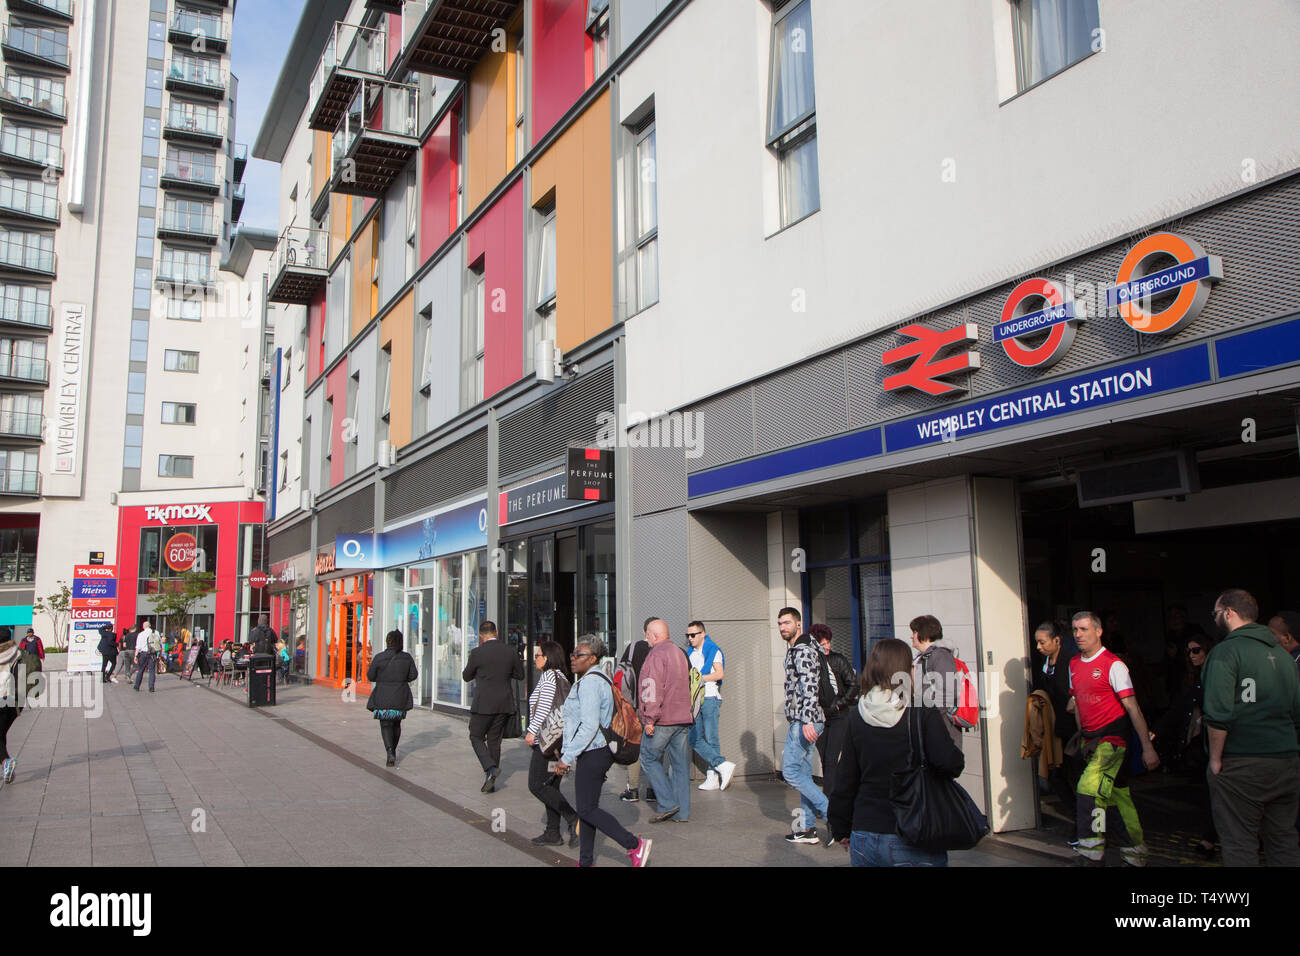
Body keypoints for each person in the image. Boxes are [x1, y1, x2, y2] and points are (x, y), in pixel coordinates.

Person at [829, 638, 964, 866]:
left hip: (865, 831)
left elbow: (845, 778)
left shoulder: (858, 714)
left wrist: (841, 827)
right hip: (914, 830)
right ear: (905, 670)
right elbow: (951, 763)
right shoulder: (921, 712)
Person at [1202, 588, 1300, 866]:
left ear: (1229, 613)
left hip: (1241, 762)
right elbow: (1297, 713)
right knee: (1283, 841)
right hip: (1285, 760)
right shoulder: (1284, 656)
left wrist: (1215, 760)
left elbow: (1219, 713)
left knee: (1239, 843)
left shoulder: (1225, 652)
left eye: (1216, 613)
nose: (1215, 618)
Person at [1067, 610, 1159, 866]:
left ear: (1098, 631)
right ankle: (1135, 852)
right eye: (1075, 630)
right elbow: (1077, 704)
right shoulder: (1073, 664)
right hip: (1089, 741)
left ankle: (1090, 851)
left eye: (1084, 629)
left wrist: (1147, 747)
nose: (1078, 634)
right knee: (1118, 796)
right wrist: (1080, 737)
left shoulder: (1113, 665)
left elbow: (1132, 707)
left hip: (1112, 741)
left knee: (1089, 788)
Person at [555, 635, 652, 867]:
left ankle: (634, 845)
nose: (573, 658)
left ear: (593, 658)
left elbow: (589, 725)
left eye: (579, 655)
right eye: (573, 654)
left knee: (587, 809)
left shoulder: (589, 683)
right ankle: (585, 861)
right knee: (588, 809)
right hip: (598, 751)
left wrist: (566, 758)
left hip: (594, 751)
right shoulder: (601, 678)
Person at [1151, 632, 1216, 856]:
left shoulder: (1216, 673)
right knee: (1209, 793)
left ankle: (1213, 837)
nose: (1191, 655)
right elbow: (1178, 708)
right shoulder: (1193, 679)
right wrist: (1154, 732)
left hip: (1221, 744)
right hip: (1203, 745)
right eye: (1188, 652)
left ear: (1208, 649)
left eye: (1196, 650)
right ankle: (1210, 836)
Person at [778, 607, 832, 846]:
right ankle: (808, 829)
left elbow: (809, 686)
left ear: (798, 624)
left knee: (789, 770)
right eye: (780, 623)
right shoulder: (805, 647)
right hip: (805, 718)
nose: (782, 627)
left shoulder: (801, 650)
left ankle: (832, 813)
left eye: (787, 623)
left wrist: (808, 719)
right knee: (802, 773)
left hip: (805, 720)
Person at [637, 618, 694, 824]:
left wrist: (649, 719)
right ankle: (682, 813)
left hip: (663, 720)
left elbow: (651, 689)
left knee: (648, 757)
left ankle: (668, 804)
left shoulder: (656, 655)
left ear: (654, 635)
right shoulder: (679, 653)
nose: (646, 639)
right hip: (683, 718)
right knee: (680, 766)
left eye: (647, 635)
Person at [524, 639, 579, 847]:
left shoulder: (549, 676)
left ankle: (573, 819)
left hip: (546, 741)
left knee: (536, 785)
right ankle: (552, 832)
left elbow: (545, 708)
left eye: (538, 655)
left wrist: (531, 732)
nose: (535, 658)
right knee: (550, 786)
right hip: (558, 742)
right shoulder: (561, 677)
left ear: (546, 658)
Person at [461, 620, 523, 793]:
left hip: (483, 704)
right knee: (495, 741)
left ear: (481, 636)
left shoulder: (477, 653)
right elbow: (520, 674)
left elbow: (466, 676)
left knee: (476, 736)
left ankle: (490, 768)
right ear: (496, 633)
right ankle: (491, 781)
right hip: (504, 702)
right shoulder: (509, 651)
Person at [1031, 620, 1078, 818]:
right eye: (1037, 643)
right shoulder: (1045, 664)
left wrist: (1075, 699)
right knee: (1054, 774)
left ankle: (1086, 824)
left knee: (1077, 775)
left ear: (1057, 640)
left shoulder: (1071, 661)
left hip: (1073, 728)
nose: (1038, 647)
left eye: (1042, 642)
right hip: (1055, 727)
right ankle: (1077, 815)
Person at [686, 620, 736, 792]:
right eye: (688, 635)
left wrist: (698, 678)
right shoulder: (690, 653)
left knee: (711, 737)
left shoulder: (713, 650)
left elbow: (719, 673)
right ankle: (722, 765)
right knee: (694, 738)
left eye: (693, 635)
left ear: (702, 634)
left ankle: (712, 776)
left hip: (709, 697)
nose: (690, 638)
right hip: (695, 699)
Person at [811, 623, 857, 800]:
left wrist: (840, 704)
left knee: (831, 759)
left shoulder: (838, 659)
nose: (827, 646)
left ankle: (829, 799)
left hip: (839, 716)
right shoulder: (813, 662)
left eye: (828, 642)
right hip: (820, 716)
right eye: (823, 644)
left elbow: (853, 685)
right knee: (825, 758)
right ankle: (832, 796)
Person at [366, 630, 418, 767]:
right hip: (400, 695)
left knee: (385, 724)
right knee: (396, 723)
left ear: (387, 641)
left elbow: (370, 676)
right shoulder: (406, 658)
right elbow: (413, 675)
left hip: (382, 695)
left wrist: (382, 678)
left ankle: (390, 751)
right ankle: (393, 749)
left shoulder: (379, 657)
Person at [617, 618, 654, 803]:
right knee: (656, 749)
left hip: (635, 706)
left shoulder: (632, 648)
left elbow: (622, 675)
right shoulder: (663, 650)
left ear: (643, 630)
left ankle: (632, 789)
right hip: (656, 707)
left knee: (635, 745)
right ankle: (654, 789)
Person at [910, 614, 962, 746]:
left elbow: (949, 691)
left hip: (942, 727)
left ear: (925, 634)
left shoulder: (940, 655)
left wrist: (930, 716)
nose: (911, 636)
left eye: (914, 632)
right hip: (929, 724)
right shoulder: (923, 657)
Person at [0, 626, 22, 786]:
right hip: (16, 702)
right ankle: (6, 766)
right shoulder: (20, 653)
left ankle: (6, 762)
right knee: (1, 734)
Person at [133, 619, 159, 693]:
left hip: (143, 653)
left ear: (143, 627)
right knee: (152, 671)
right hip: (153, 654)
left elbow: (138, 647)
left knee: (141, 670)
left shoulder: (141, 634)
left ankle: (137, 686)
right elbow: (159, 644)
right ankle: (151, 687)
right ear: (150, 626)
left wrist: (135, 656)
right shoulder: (156, 632)